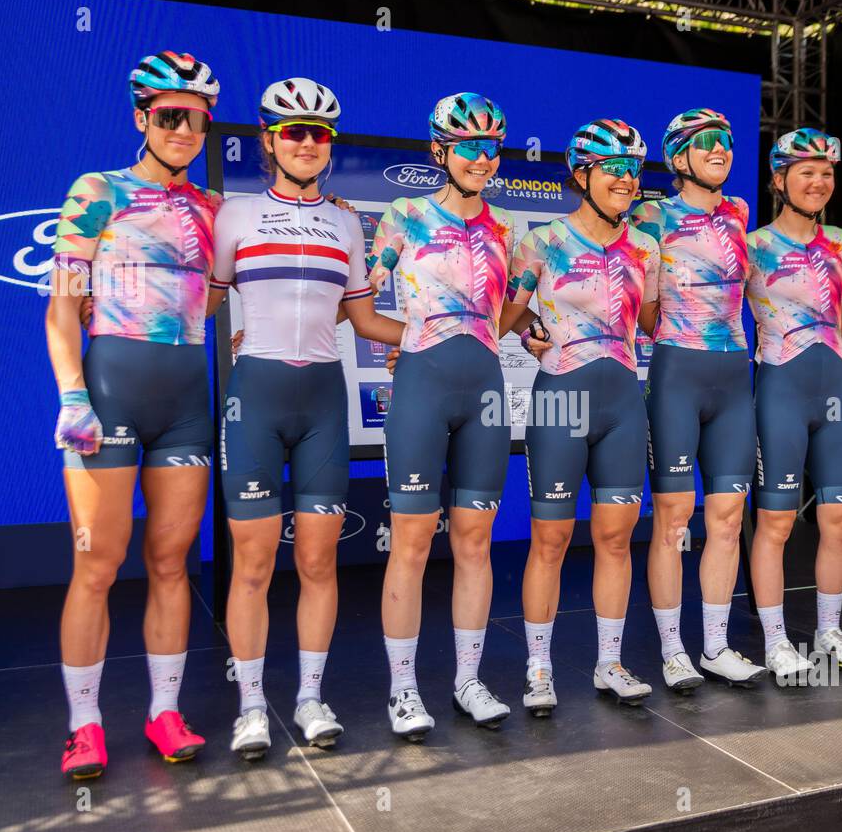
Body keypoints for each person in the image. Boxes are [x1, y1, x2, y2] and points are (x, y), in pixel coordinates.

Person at [210, 78, 404, 759]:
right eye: (293, 131)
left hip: (323, 396)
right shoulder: (232, 215)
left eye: (319, 132)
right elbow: (201, 308)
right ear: (268, 140)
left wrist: (436, 334)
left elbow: (366, 319)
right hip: (256, 392)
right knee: (254, 564)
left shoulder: (348, 222)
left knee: (320, 561)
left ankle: (310, 697)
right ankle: (252, 706)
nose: (307, 143)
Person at [47, 52, 223, 779]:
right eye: (168, 115)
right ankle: (83, 725)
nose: (183, 128)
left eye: (196, 117)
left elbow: (210, 299)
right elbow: (61, 310)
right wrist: (72, 394)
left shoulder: (214, 210)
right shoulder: (97, 192)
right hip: (110, 392)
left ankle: (164, 710)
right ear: (141, 119)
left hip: (185, 396)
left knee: (172, 561)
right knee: (97, 562)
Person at [498, 119, 660, 714]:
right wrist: (530, 334)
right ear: (580, 173)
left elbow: (655, 322)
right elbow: (506, 312)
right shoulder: (541, 241)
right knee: (552, 538)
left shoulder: (647, 246)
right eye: (613, 167)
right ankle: (538, 670)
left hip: (622, 400)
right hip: (560, 399)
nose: (626, 178)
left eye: (633, 167)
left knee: (616, 540)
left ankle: (609, 663)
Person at [369, 93, 517, 740]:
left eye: (491, 148)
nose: (481, 159)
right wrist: (409, 342)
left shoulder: (510, 228)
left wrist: (515, 335)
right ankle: (403, 690)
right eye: (468, 147)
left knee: (475, 541)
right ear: (439, 150)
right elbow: (358, 294)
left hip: (485, 385)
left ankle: (466, 680)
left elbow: (509, 312)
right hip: (422, 384)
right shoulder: (402, 215)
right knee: (411, 541)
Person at [745, 127, 842, 681]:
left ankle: (829, 632)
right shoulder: (754, 246)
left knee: (840, 517)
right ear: (779, 180)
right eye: (806, 172)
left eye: (827, 173)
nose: (819, 182)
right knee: (777, 521)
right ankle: (776, 639)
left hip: (834, 392)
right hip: (780, 391)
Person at [629, 108, 763, 691]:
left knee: (728, 518)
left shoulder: (738, 211)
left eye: (728, 144)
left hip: (734, 374)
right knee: (674, 519)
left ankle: (715, 645)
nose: (722, 151)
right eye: (709, 143)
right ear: (678, 156)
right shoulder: (650, 214)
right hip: (677, 371)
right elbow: (635, 297)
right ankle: (672, 650)